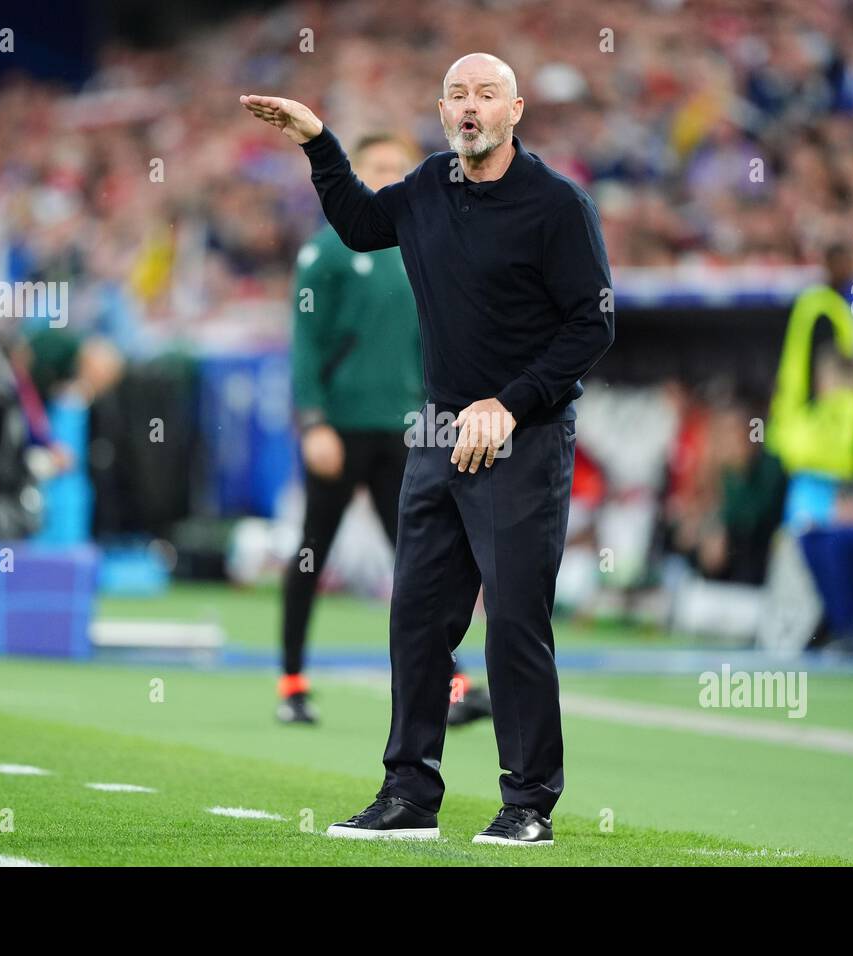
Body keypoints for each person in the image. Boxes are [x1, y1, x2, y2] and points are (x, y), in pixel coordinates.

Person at [240, 50, 614, 845]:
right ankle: (408, 794)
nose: (470, 106)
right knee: (415, 619)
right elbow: (358, 222)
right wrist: (317, 140)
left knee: (513, 621)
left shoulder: (557, 205)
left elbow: (594, 322)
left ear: (516, 111)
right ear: (442, 114)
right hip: (436, 434)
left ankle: (528, 804)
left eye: (486, 94)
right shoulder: (423, 191)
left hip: (524, 436)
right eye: (456, 94)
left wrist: (510, 405)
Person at [279, 131, 492, 728]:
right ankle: (292, 683)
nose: (390, 175)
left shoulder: (424, 250)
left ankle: (449, 686)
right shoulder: (327, 251)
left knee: (424, 562)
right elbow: (304, 343)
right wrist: (313, 420)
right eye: (377, 166)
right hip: (340, 431)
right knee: (310, 555)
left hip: (406, 432)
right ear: (355, 171)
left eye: (400, 167)